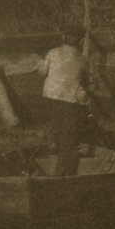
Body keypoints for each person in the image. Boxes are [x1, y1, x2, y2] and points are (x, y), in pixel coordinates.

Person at [40, 21, 91, 176]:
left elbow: (42, 73)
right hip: (70, 99)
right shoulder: (83, 60)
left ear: (63, 37)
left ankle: (54, 147)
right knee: (69, 138)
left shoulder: (52, 53)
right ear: (81, 41)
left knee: (57, 126)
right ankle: (62, 173)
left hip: (50, 96)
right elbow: (85, 81)